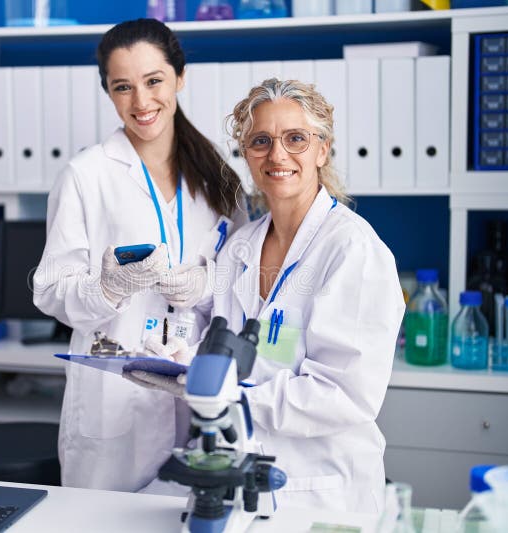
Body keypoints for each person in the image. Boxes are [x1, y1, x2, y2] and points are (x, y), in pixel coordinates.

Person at [132, 78, 405, 513]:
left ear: (322, 149)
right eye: (261, 141)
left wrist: (231, 398)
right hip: (240, 472)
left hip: (322, 491)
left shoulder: (353, 251)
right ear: (246, 153)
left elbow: (344, 393)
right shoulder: (242, 245)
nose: (277, 155)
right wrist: (183, 358)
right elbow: (227, 340)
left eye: (295, 138)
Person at [32, 18, 247, 494]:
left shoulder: (219, 176)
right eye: (123, 87)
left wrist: (207, 282)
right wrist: (106, 288)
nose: (141, 102)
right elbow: (49, 290)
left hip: (195, 390)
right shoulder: (86, 175)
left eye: (154, 81)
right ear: (109, 93)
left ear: (180, 77)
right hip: (116, 397)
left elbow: (243, 276)